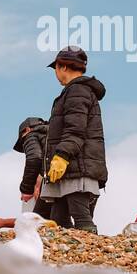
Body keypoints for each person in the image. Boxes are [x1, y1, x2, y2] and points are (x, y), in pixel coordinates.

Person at [40, 45, 107, 233]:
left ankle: (92, 254)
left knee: (81, 217)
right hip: (71, 169)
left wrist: (61, 156)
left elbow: (75, 129)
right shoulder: (76, 91)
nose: (55, 73)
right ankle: (70, 255)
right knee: (59, 218)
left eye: (55, 68)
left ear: (62, 67)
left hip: (77, 168)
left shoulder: (77, 91)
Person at [0, 115, 51, 231]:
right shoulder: (56, 142)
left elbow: (34, 222)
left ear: (27, 130)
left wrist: (27, 189)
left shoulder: (31, 135)